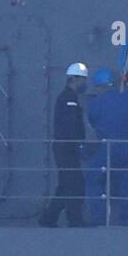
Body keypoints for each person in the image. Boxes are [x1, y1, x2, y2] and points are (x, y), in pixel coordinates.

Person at [87, 66, 128, 226]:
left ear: (99, 86)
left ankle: (99, 219)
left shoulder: (95, 103)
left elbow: (93, 121)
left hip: (109, 150)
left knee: (93, 178)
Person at [40, 62, 89, 227]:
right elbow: (70, 124)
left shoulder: (68, 97)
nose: (84, 83)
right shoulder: (68, 98)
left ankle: (48, 219)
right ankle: (75, 220)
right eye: (82, 79)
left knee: (64, 185)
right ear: (74, 79)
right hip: (66, 148)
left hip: (64, 147)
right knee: (76, 184)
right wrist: (78, 144)